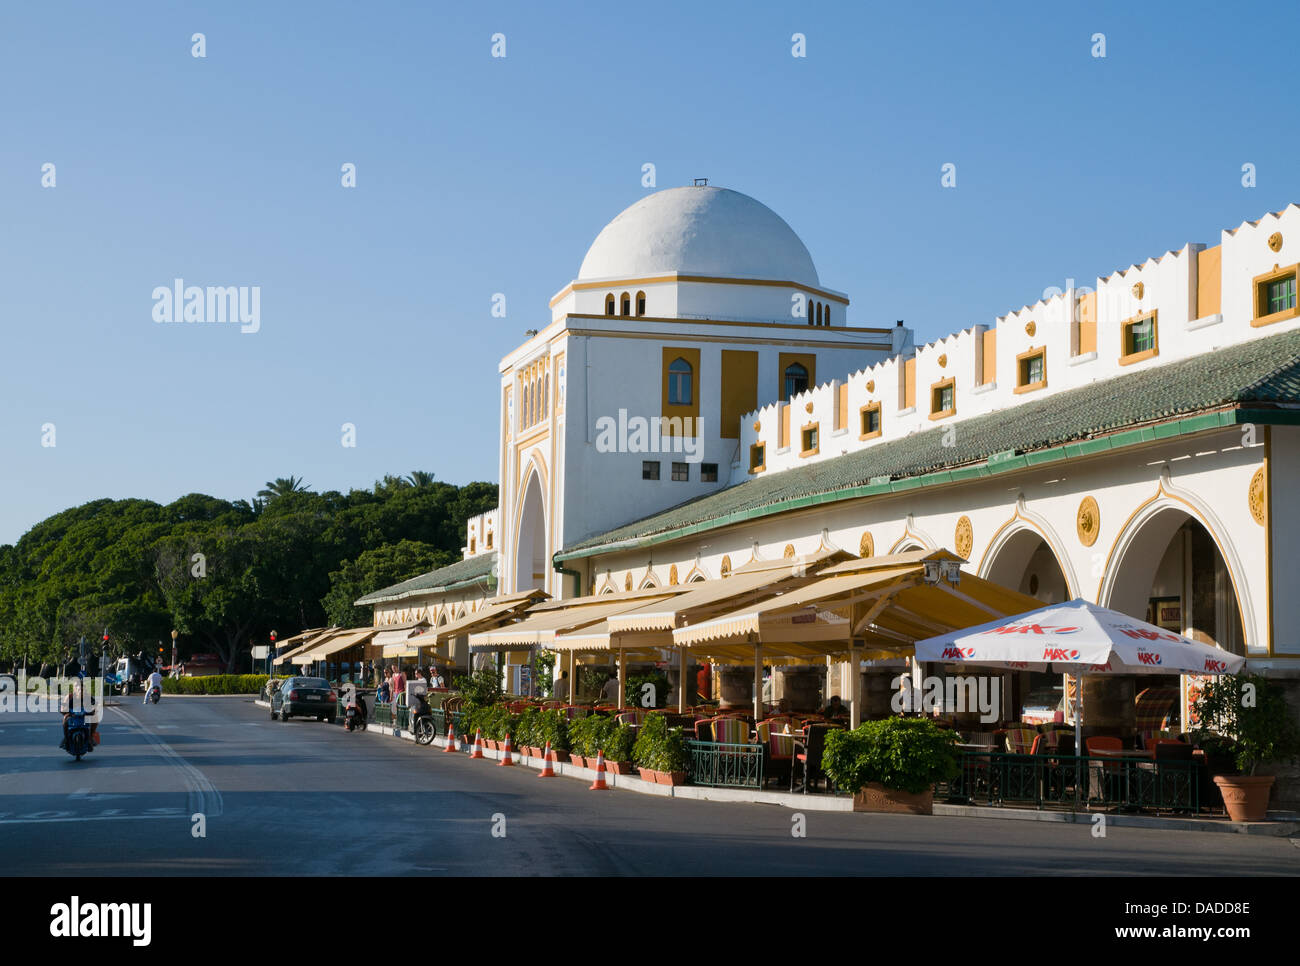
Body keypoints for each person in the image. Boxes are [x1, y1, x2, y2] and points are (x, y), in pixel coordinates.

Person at [59, 675, 98, 751]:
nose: (80, 689)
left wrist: (93, 710)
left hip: (85, 715)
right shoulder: (69, 696)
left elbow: (95, 705)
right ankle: (66, 739)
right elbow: (63, 707)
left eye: (82, 687)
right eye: (77, 687)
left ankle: (90, 737)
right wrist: (65, 711)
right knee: (65, 718)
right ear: (74, 689)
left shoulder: (88, 697)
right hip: (72, 716)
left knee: (95, 718)